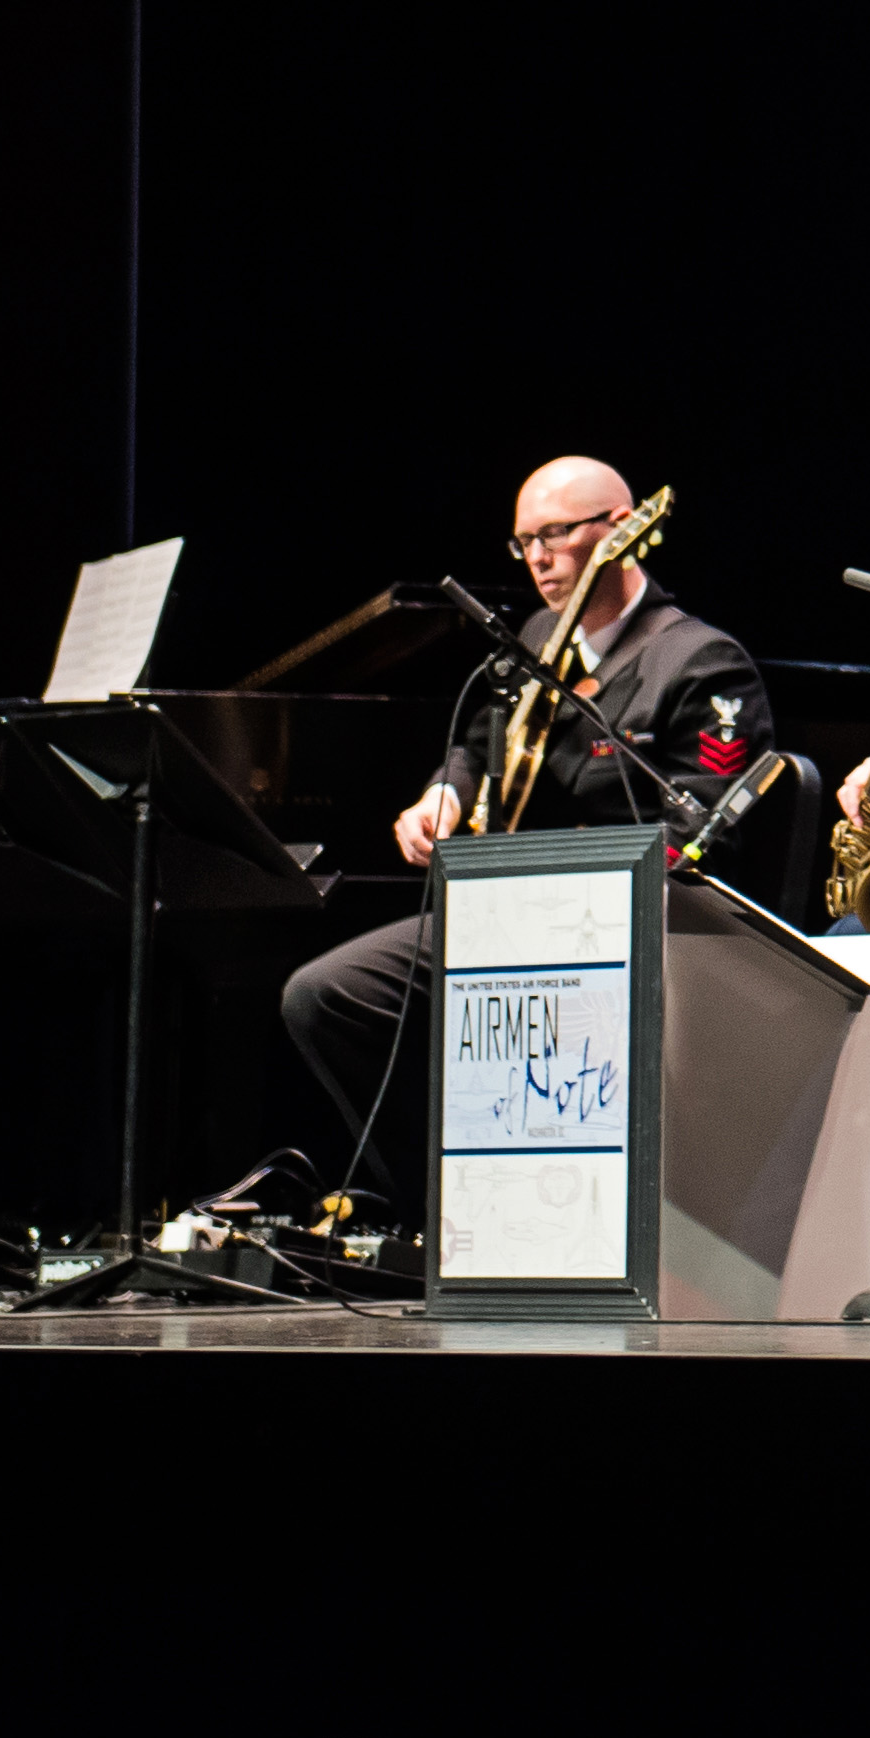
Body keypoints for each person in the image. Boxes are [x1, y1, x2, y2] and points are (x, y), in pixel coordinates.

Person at [277, 454, 777, 1201]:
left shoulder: (698, 660)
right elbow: (478, 746)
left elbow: (707, 828)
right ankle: (438, 1199)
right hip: (513, 912)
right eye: (523, 541)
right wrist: (443, 796)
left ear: (620, 529)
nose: (538, 557)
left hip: (625, 928)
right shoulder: (540, 634)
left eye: (555, 534)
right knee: (326, 995)